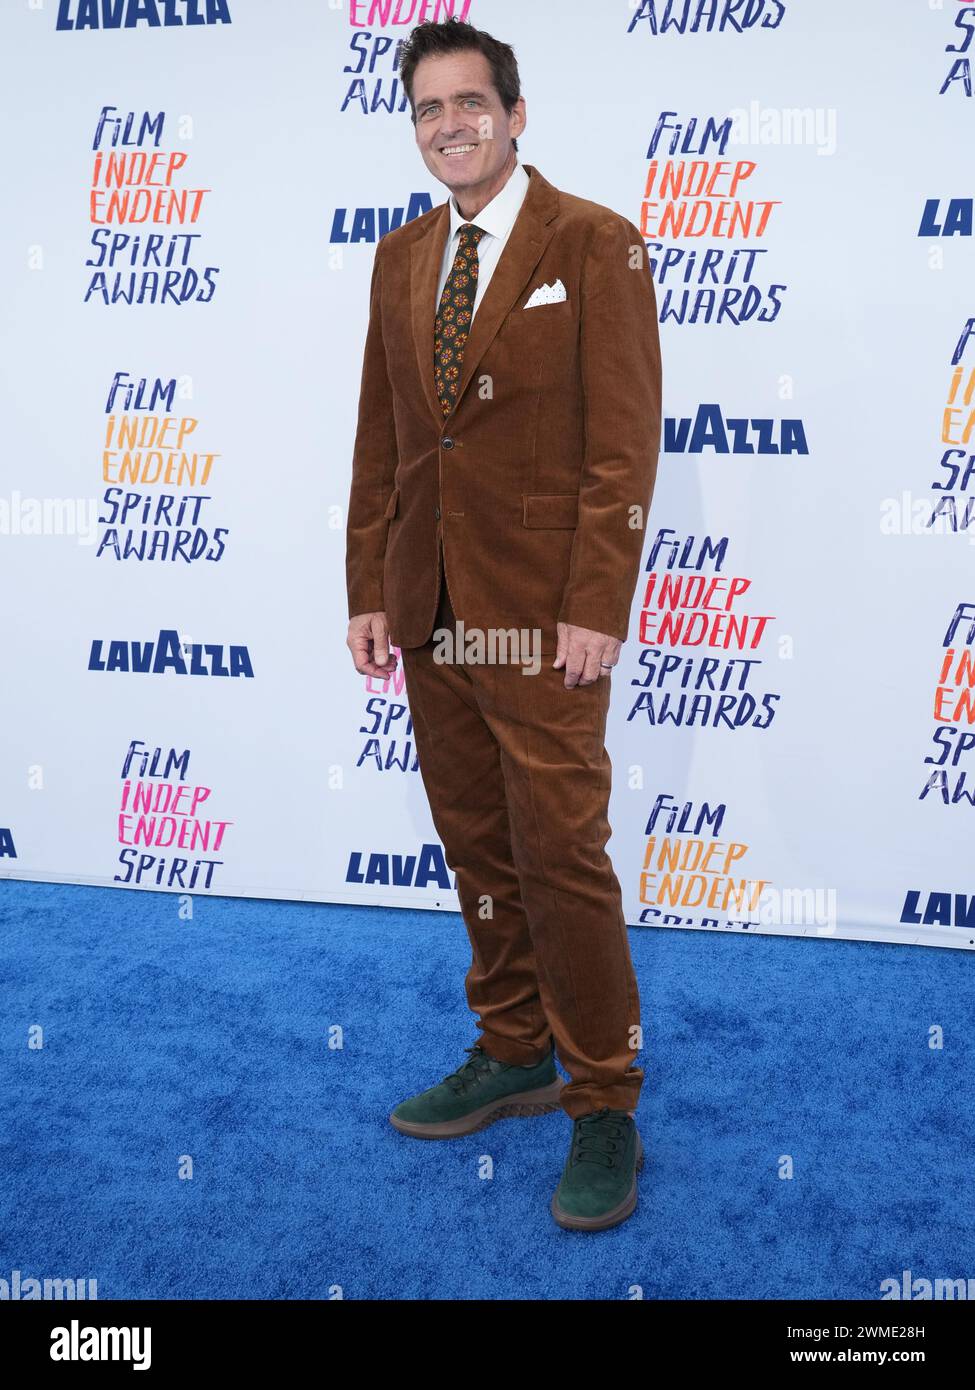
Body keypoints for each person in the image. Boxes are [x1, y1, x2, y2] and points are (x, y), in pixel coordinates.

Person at [345, 16, 662, 1231]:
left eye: (470, 103)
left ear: (515, 114)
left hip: (542, 628)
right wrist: (371, 588)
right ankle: (515, 1044)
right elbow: (384, 435)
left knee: (562, 859)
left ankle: (605, 1099)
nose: (450, 125)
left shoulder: (595, 243)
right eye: (428, 109)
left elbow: (623, 446)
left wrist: (595, 608)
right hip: (430, 612)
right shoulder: (398, 256)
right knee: (478, 848)